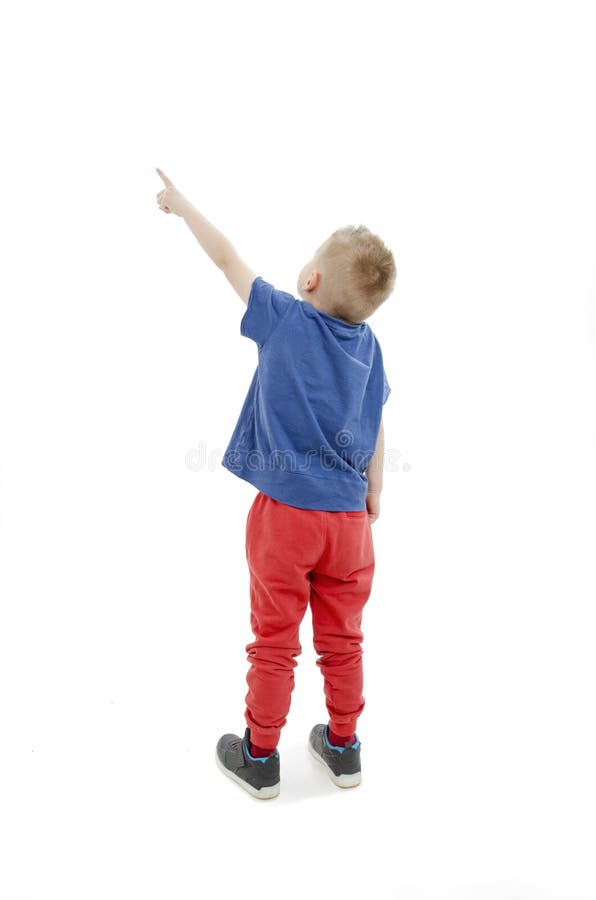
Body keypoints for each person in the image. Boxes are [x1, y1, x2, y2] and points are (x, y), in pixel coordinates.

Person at [155, 167, 396, 800]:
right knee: (343, 641)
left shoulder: (285, 319)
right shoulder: (369, 347)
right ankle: (344, 750)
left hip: (285, 518)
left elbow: (227, 259)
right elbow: (374, 429)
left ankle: (260, 757)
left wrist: (183, 206)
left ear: (311, 278)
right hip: (349, 527)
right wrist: (374, 495)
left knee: (274, 640)